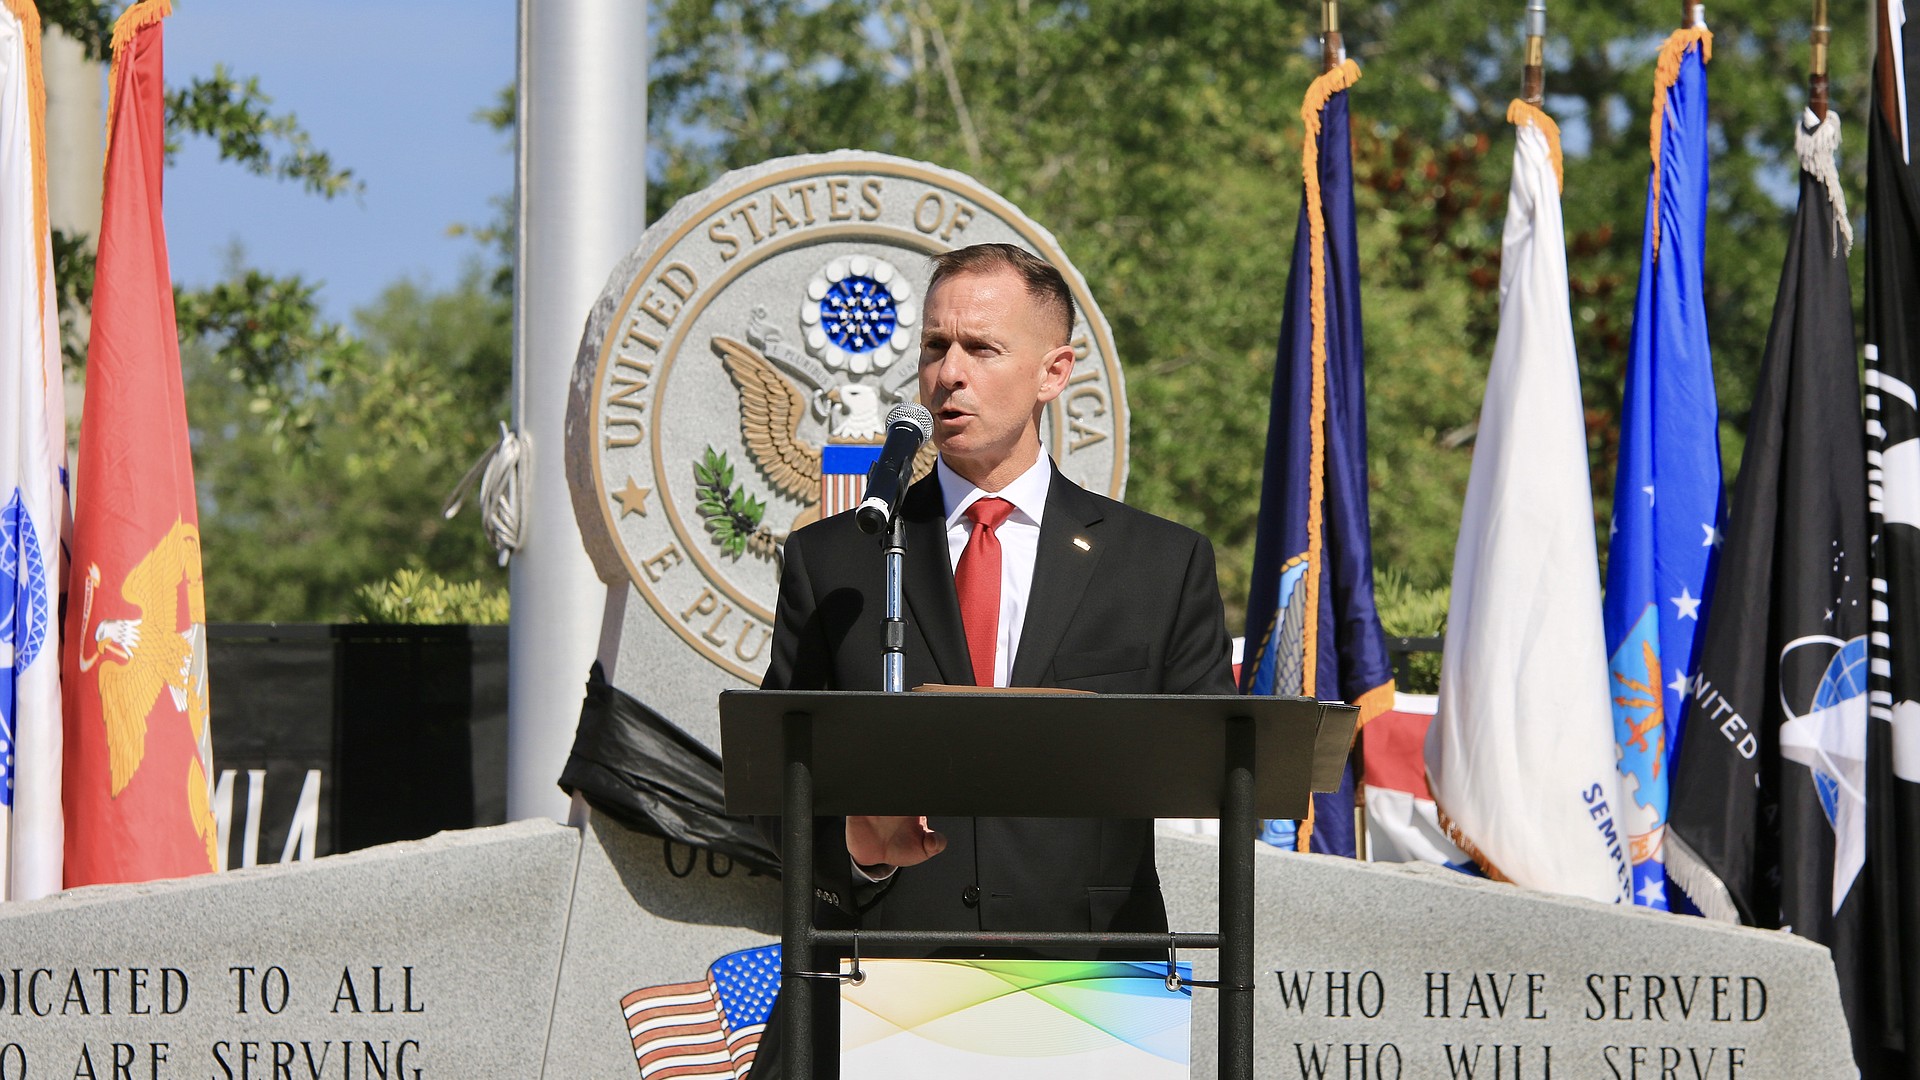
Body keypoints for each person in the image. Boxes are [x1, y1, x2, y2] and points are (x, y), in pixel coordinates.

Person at [755, 242, 1235, 1073]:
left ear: (1054, 371)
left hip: (1087, 993)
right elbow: (776, 789)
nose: (949, 374)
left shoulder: (1160, 565)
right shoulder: (840, 559)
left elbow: (1219, 765)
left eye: (981, 348)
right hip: (887, 990)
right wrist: (861, 844)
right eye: (935, 347)